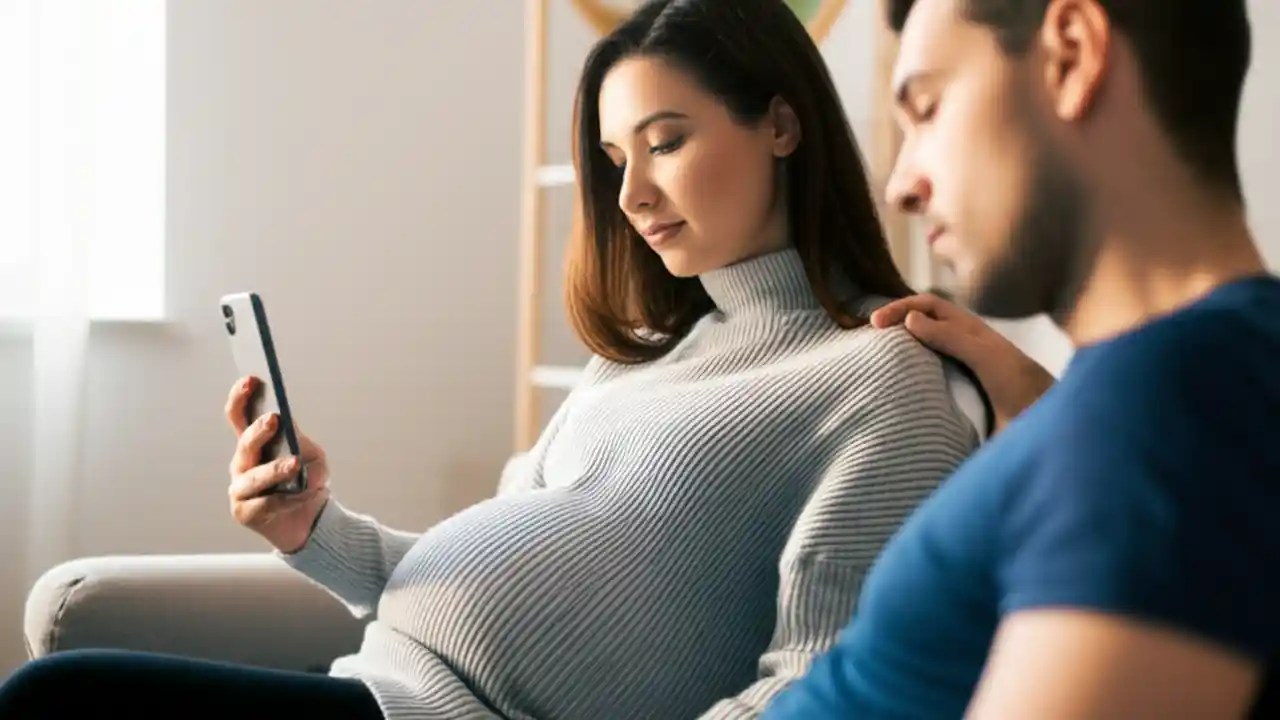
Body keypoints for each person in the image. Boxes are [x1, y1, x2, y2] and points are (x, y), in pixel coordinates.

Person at [0, 1, 984, 718]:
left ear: (780, 123)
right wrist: (312, 529)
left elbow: (819, 678)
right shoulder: (635, 364)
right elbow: (451, 574)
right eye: (613, 160)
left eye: (666, 142)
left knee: (59, 700)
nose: (634, 194)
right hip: (377, 683)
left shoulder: (876, 380)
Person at [764, 0, 1280, 717]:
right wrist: (1047, 416)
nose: (901, 185)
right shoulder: (1147, 400)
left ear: (1070, 55)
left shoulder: (1166, 401)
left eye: (929, 108)